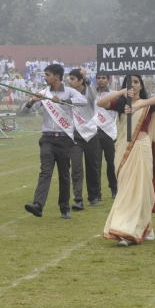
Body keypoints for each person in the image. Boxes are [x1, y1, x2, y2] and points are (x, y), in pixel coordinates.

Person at [96, 75, 155, 246]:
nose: (133, 85)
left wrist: (139, 104)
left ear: (141, 85)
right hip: (123, 149)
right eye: (129, 83)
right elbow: (100, 103)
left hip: (141, 147)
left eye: (136, 82)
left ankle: (130, 231)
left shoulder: (147, 105)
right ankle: (142, 227)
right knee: (125, 187)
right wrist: (122, 92)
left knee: (141, 188)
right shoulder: (121, 105)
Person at [22, 64, 89, 219]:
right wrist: (32, 101)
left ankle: (64, 208)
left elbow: (83, 101)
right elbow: (25, 111)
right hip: (47, 138)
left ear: (57, 76)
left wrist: (62, 100)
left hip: (65, 138)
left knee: (64, 174)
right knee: (45, 172)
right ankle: (38, 204)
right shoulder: (44, 93)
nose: (45, 77)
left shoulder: (70, 92)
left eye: (48, 74)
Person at [67, 69, 101, 210]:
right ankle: (78, 199)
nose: (70, 82)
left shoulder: (89, 92)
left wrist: (87, 79)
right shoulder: (68, 93)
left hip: (91, 134)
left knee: (92, 167)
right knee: (76, 168)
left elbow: (94, 95)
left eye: (73, 79)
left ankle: (93, 196)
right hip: (75, 135)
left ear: (80, 81)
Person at [94, 74, 119, 199]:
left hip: (109, 132)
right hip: (94, 132)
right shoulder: (91, 94)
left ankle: (114, 188)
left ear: (108, 80)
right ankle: (96, 192)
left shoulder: (115, 94)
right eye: (98, 78)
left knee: (112, 162)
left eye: (103, 78)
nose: (100, 80)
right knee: (95, 164)